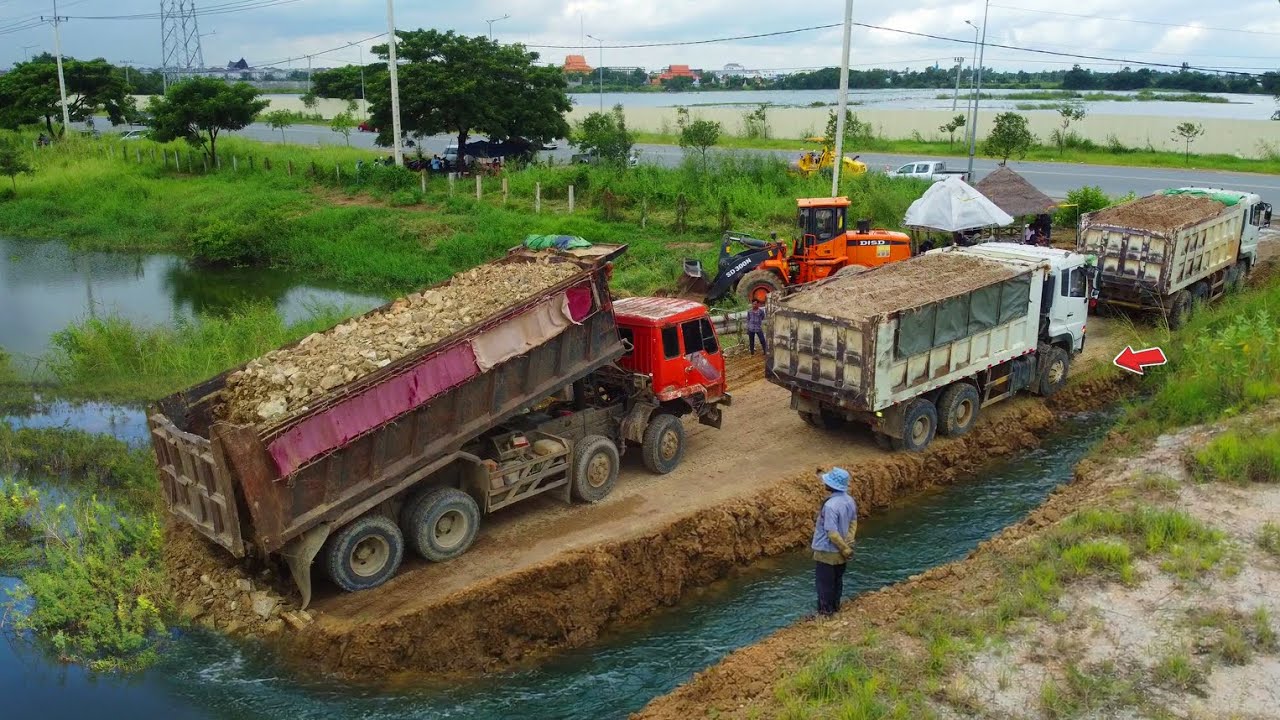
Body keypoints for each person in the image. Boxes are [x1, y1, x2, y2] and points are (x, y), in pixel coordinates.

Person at [812, 467, 857, 616]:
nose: (824, 483)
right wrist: (848, 544)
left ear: (832, 486)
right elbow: (853, 522)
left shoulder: (830, 506)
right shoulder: (849, 500)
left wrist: (844, 548)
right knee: (837, 581)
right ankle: (835, 609)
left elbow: (832, 533)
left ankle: (825, 614)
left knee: (824, 585)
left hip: (827, 551)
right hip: (842, 552)